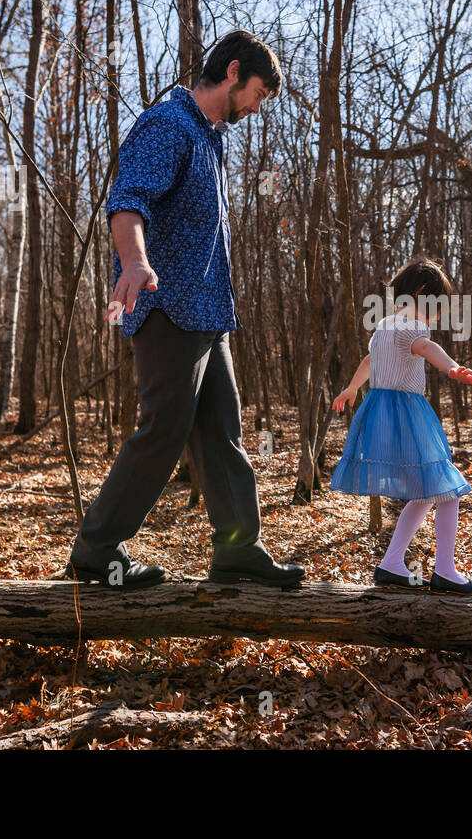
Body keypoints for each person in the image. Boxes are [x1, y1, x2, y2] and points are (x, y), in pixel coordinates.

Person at [64, 30, 305, 590]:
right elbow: (127, 202)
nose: (258, 105)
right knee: (164, 428)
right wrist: (134, 264)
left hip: (208, 313)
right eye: (259, 93)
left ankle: (239, 551)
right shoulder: (168, 124)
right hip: (168, 304)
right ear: (233, 72)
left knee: (222, 433)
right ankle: (96, 549)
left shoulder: (211, 138)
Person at [330, 256, 472, 595]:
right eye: (438, 304)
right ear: (418, 295)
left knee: (428, 491)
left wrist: (352, 388)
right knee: (446, 489)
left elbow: (370, 360)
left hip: (381, 413)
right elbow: (427, 348)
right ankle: (445, 570)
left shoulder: (384, 325)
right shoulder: (413, 326)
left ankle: (392, 563)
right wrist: (453, 368)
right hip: (407, 413)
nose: (440, 313)